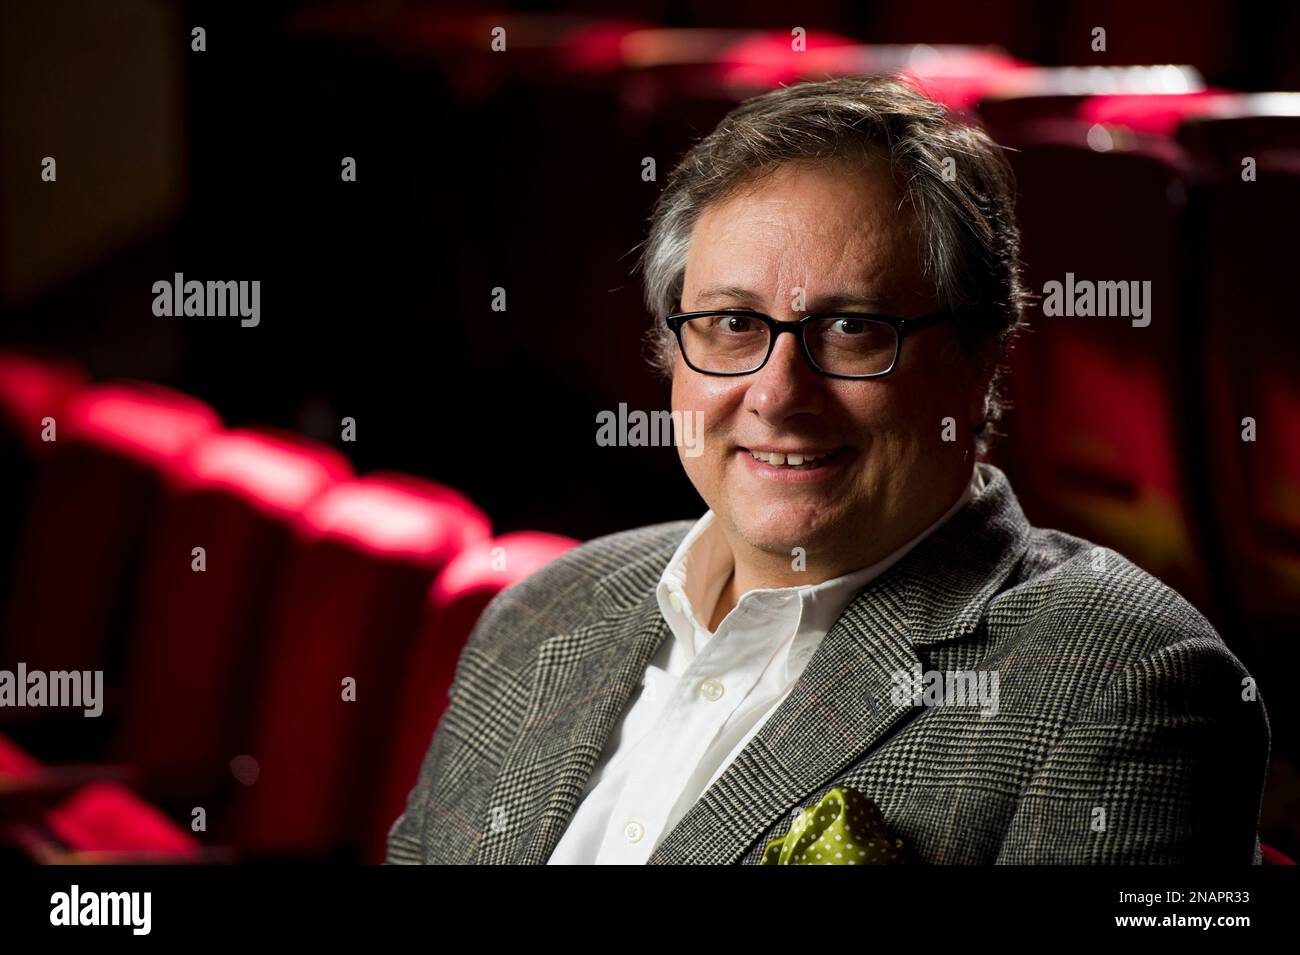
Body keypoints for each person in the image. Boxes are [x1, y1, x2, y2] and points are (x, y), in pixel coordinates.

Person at [386, 75, 1269, 864]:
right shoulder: (538, 614)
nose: (778, 394)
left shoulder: (1123, 685)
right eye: (733, 324)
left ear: (980, 358)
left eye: (852, 329)